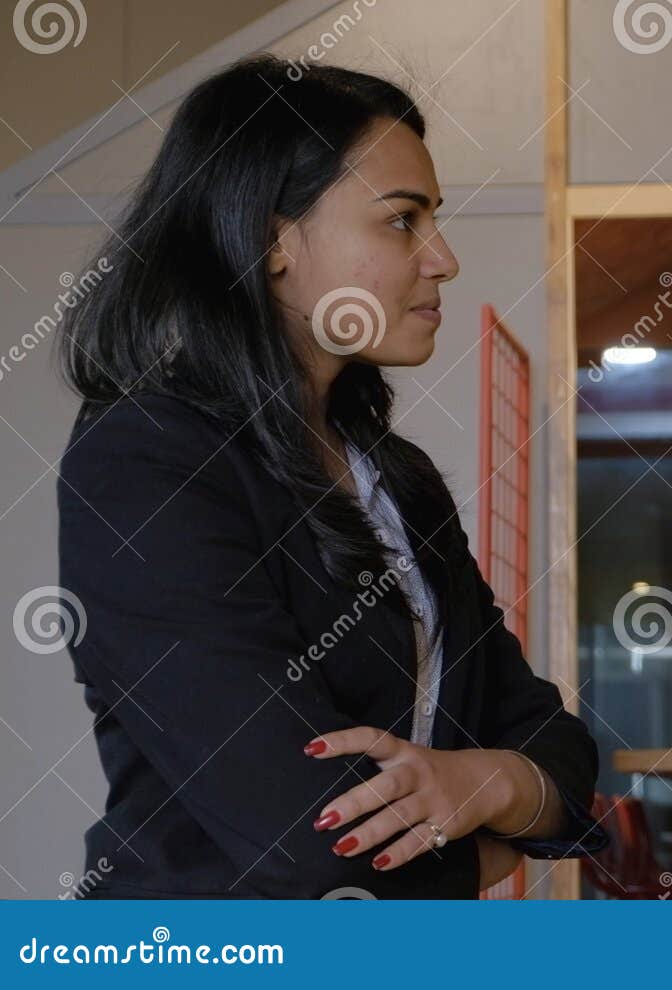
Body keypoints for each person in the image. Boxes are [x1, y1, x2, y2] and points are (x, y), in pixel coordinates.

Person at [54, 55, 605, 898]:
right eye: (401, 221)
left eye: (436, 219)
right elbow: (303, 835)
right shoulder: (145, 461)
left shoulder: (398, 479)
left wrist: (487, 781)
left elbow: (555, 748)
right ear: (273, 238)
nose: (444, 258)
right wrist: (491, 853)